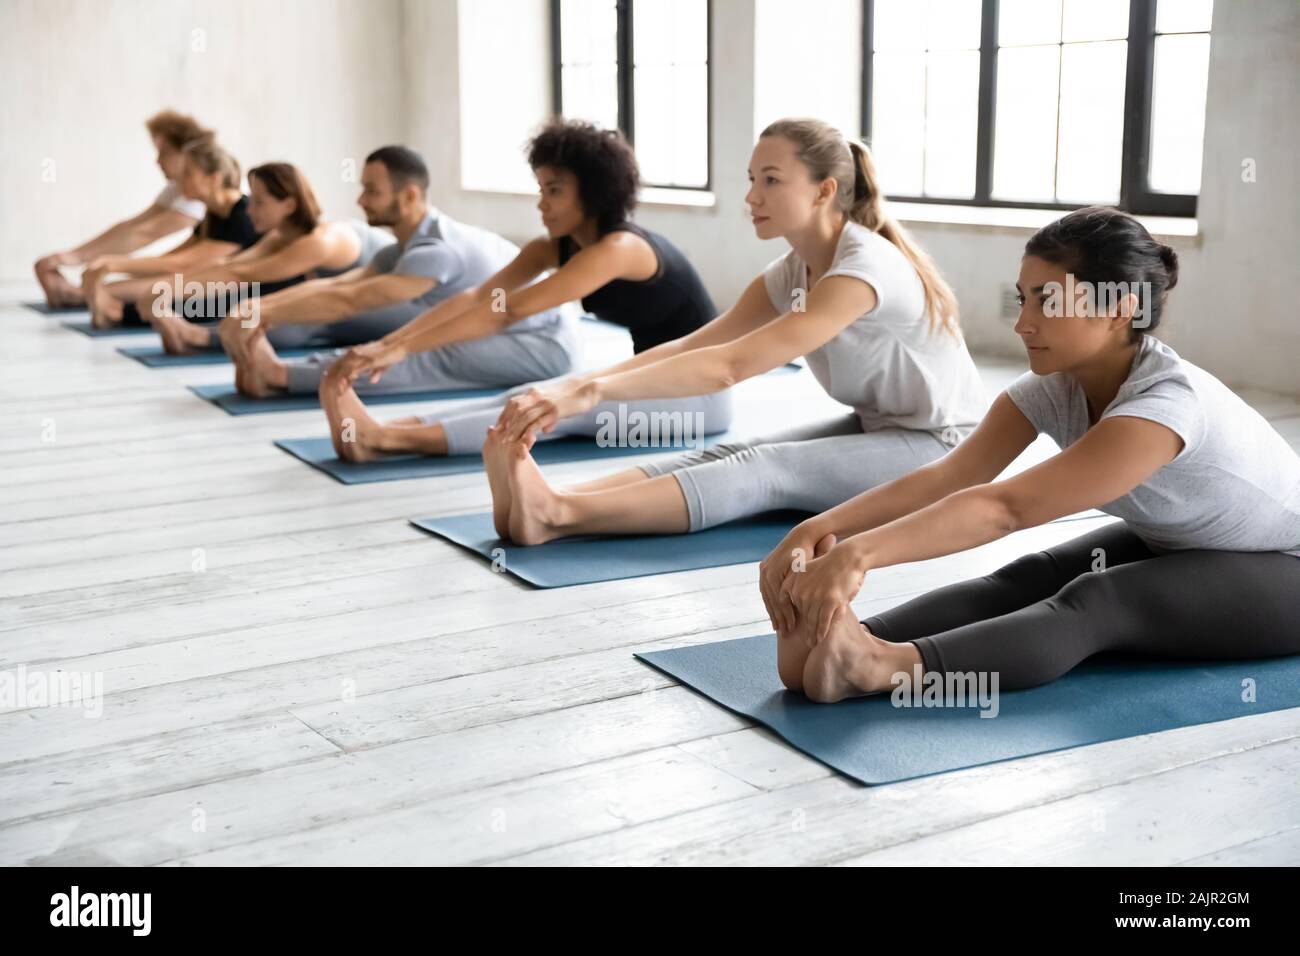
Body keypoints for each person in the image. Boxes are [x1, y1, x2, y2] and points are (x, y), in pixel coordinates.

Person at [760, 206, 1300, 702]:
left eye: (1049, 301)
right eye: (1025, 298)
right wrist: (818, 529)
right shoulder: (1054, 387)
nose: (1023, 323)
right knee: (1025, 578)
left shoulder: (1163, 408)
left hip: (1284, 571)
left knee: (1098, 600)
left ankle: (882, 667)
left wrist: (857, 556)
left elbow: (1005, 509)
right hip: (1186, 545)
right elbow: (952, 474)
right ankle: (838, 644)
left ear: (1120, 310)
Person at [482, 117, 986, 544]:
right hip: (887, 427)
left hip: (944, 450)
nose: (750, 196)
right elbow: (698, 343)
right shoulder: (793, 271)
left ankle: (556, 517)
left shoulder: (863, 270)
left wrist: (590, 392)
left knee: (766, 469)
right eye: (752, 179)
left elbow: (730, 366)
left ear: (823, 191)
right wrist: (568, 387)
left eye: (771, 180)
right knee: (734, 452)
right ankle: (559, 497)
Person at [318, 118, 730, 463]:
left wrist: (401, 351)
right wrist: (389, 343)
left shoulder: (619, 250)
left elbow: (506, 312)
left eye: (555, 191)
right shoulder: (554, 247)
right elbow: (479, 298)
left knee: (553, 411)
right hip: (647, 379)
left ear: (593, 193)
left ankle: (383, 442)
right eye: (541, 189)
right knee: (524, 396)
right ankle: (386, 429)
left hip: (698, 402)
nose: (541, 204)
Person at [215, 145, 575, 398]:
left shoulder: (436, 251)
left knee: (424, 354)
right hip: (488, 319)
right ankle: (280, 368)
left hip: (544, 341)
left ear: (408, 197)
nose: (360, 201)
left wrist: (260, 312)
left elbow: (349, 301)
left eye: (372, 191)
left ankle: (279, 375)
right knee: (394, 342)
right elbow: (340, 284)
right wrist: (258, 310)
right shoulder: (402, 247)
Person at [148, 161, 394, 353]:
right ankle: (199, 335)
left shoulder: (319, 242)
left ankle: (198, 337)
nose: (250, 210)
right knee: (272, 307)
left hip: (398, 307)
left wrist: (162, 293)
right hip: (350, 304)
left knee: (296, 314)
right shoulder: (280, 236)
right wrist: (162, 291)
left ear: (288, 205)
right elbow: (229, 266)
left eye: (259, 202)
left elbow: (238, 276)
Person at [33, 110, 211, 308]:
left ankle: (76, 296)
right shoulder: (180, 187)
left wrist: (88, 261)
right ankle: (77, 295)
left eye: (164, 152)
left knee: (170, 275)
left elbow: (146, 233)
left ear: (186, 153)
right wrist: (75, 256)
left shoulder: (200, 187)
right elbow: (134, 225)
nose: (157, 161)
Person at [83, 137, 258, 328]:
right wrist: (120, 270)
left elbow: (183, 264)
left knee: (135, 304)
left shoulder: (242, 215)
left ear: (213, 178)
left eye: (188, 173)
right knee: (120, 293)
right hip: (214, 286)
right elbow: (176, 257)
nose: (179, 180)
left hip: (243, 294)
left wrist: (112, 265)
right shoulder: (214, 214)